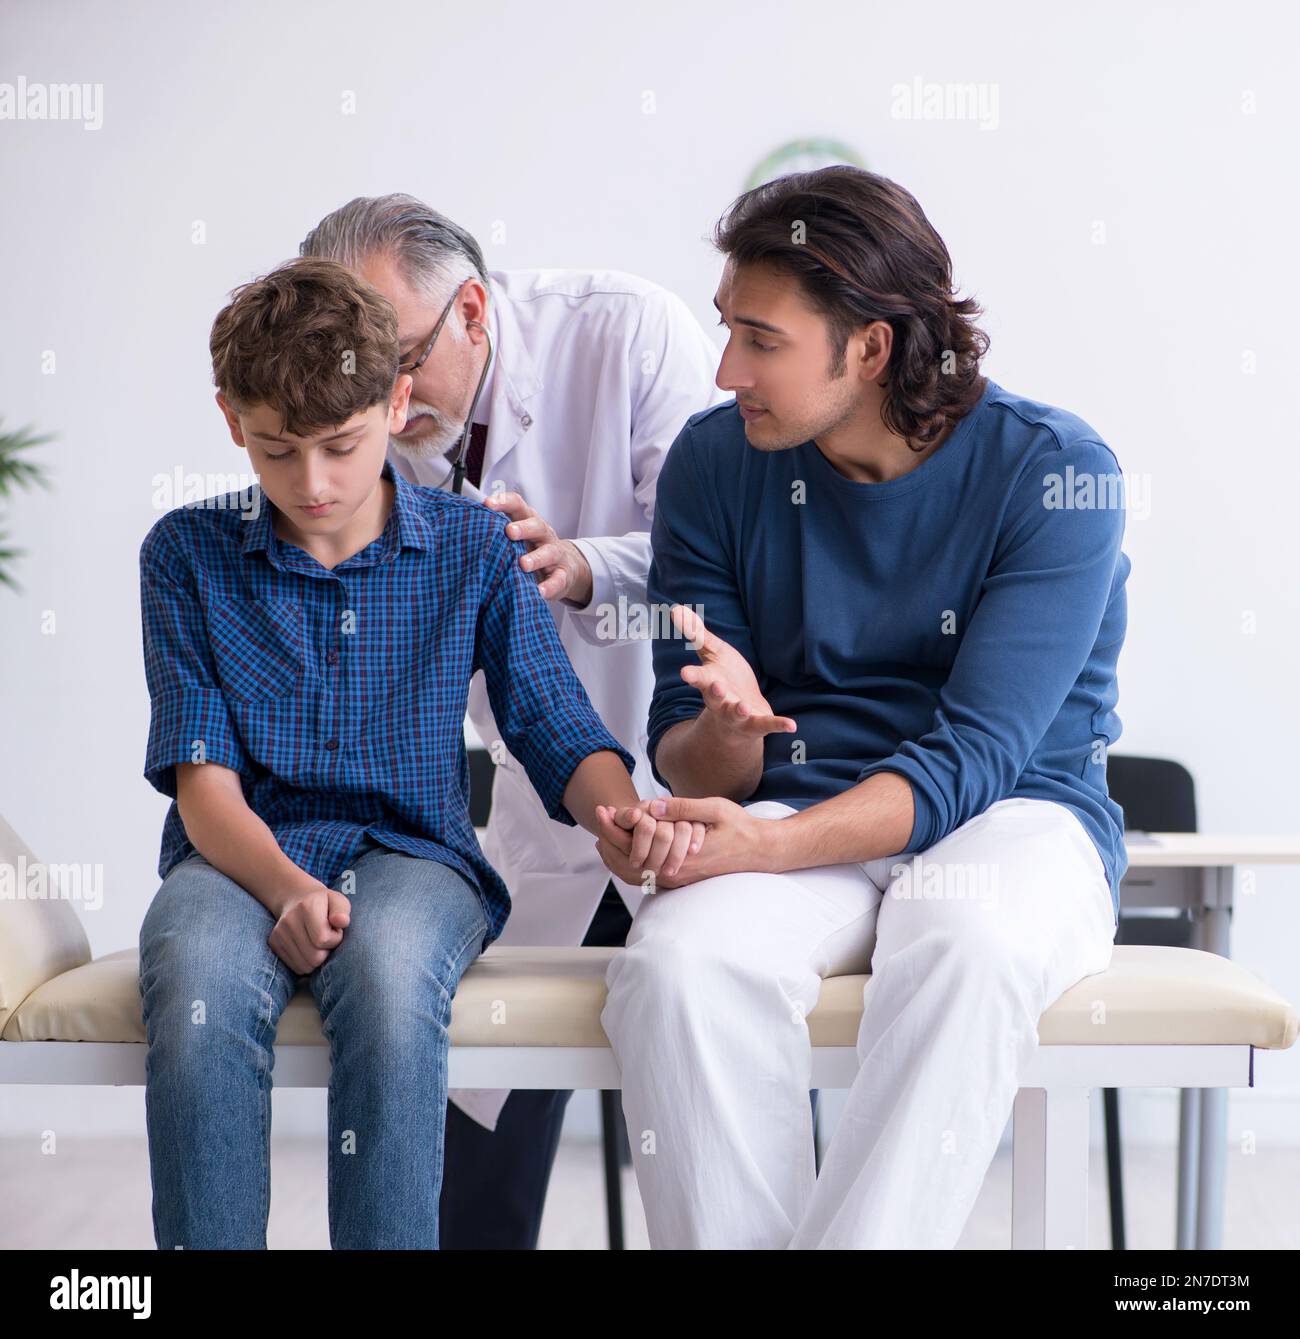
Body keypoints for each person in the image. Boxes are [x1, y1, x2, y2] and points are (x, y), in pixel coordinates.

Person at [593, 166, 1130, 1249]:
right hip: (799, 815)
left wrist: (765, 843)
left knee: (965, 940)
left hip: (1015, 815)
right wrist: (729, 744)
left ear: (870, 347)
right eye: (726, 331)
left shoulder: (1056, 474)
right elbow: (683, 753)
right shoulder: (712, 462)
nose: (726, 368)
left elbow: (971, 759)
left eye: (761, 339)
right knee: (676, 968)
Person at [135, 257, 684, 1249]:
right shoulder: (186, 554)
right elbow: (203, 783)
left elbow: (555, 727)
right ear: (231, 421)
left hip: (416, 859)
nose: (312, 484)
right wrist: (285, 886)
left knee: (391, 982)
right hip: (233, 857)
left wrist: (621, 816)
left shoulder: (474, 546)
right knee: (198, 982)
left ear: (396, 401)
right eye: (276, 450)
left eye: (341, 446)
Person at [299, 195, 727, 1247]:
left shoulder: (624, 332)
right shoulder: (368, 437)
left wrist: (584, 566)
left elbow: (719, 570)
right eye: (360, 378)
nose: (386, 407)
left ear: (474, 312)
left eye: (398, 363)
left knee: (732, 1138)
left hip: (707, 803)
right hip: (552, 819)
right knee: (475, 1165)